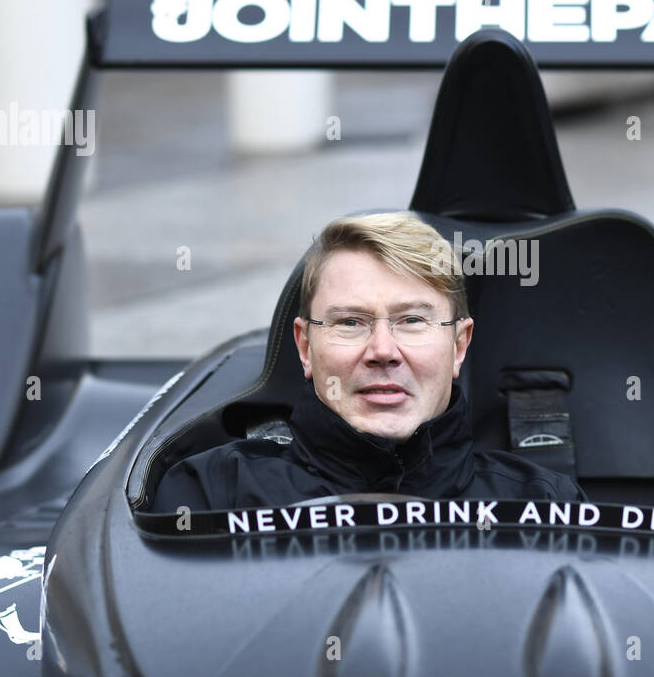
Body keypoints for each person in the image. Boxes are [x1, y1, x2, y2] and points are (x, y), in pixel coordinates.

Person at [153, 212, 585, 511]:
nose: (382, 351)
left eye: (412, 320)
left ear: (458, 346)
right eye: (351, 322)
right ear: (305, 347)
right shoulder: (211, 495)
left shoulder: (545, 506)